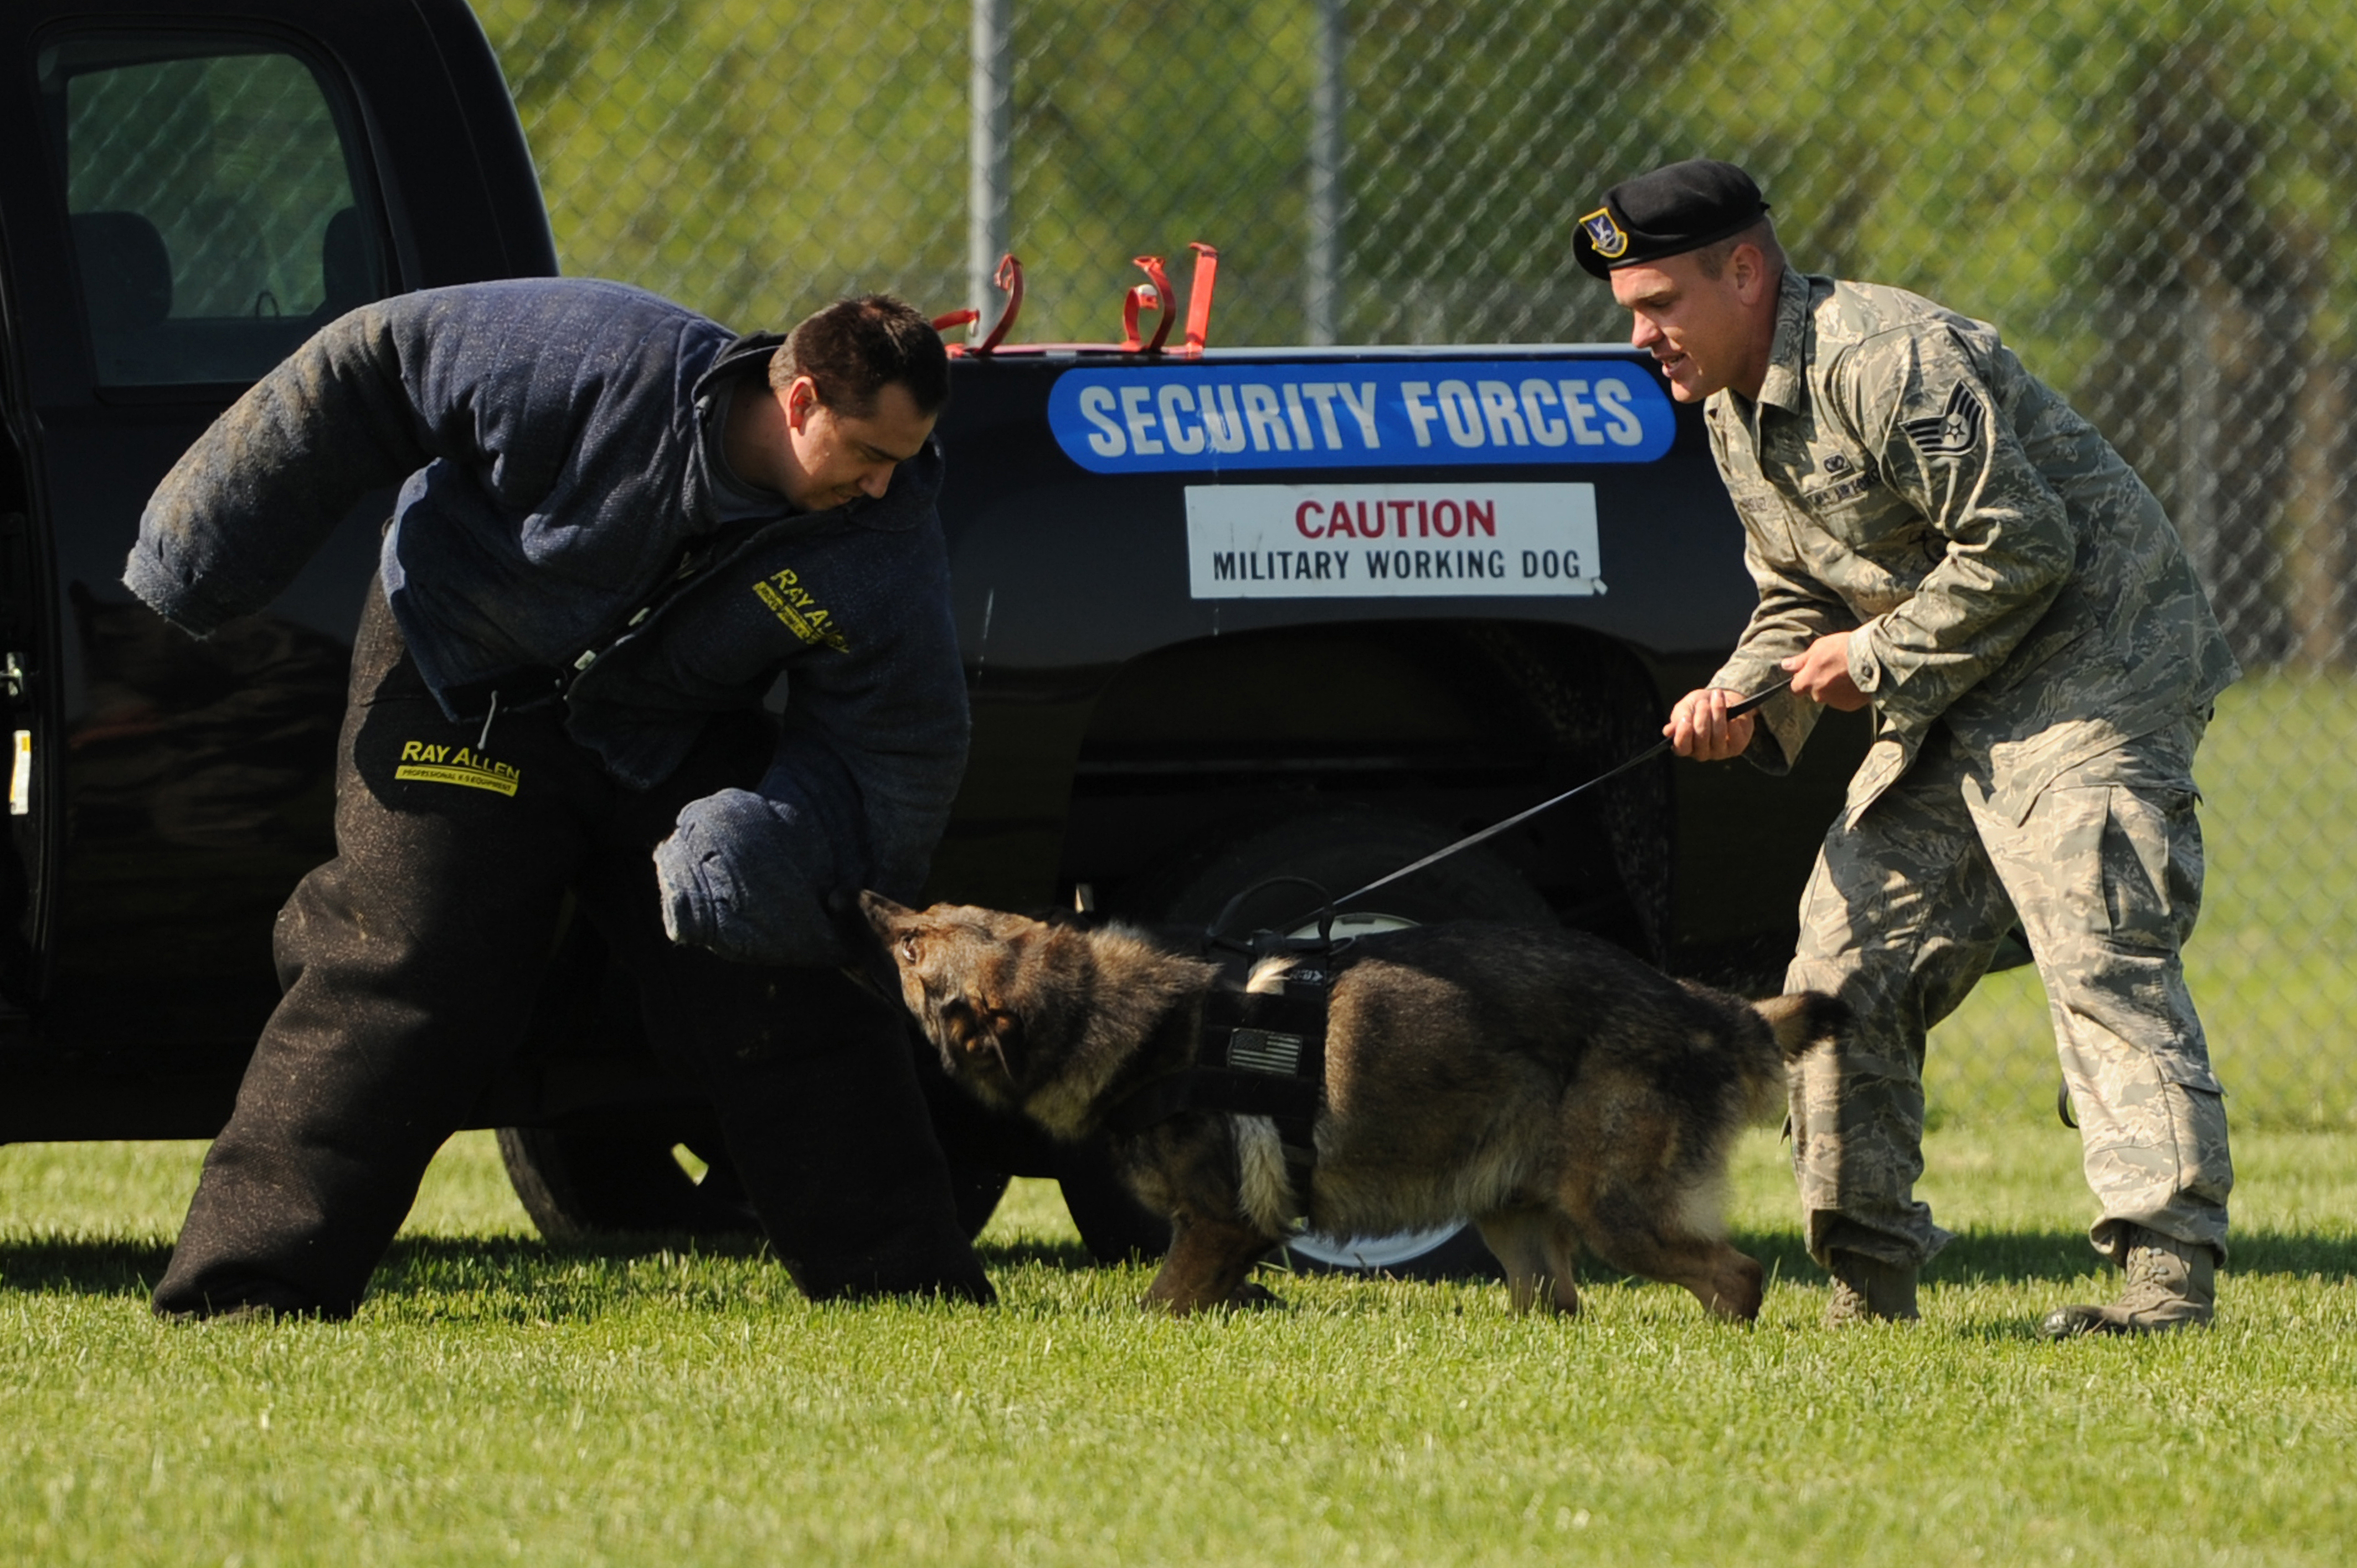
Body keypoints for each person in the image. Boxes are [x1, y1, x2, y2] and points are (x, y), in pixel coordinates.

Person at [127, 278, 995, 1319]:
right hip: (461, 677)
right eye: (870, 456)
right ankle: (243, 1290)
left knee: (793, 982)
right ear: (801, 399)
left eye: (904, 464)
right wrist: (206, 542)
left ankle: (903, 1291)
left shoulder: (882, 542)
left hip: (660, 725)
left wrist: (791, 862)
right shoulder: (596, 360)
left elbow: (895, 745)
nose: (883, 490)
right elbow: (369, 359)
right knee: (410, 969)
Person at [1575, 159, 2238, 1334]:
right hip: (1956, 684)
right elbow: (1794, 592)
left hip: (2093, 668)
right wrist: (1735, 694)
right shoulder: (1732, 411)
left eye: (1660, 304)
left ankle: (2164, 1280)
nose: (1643, 336)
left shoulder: (1884, 358)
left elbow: (2021, 546)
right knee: (1839, 968)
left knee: (2095, 941)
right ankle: (1865, 1287)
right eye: (1630, 312)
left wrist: (1870, 664)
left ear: (1744, 270)